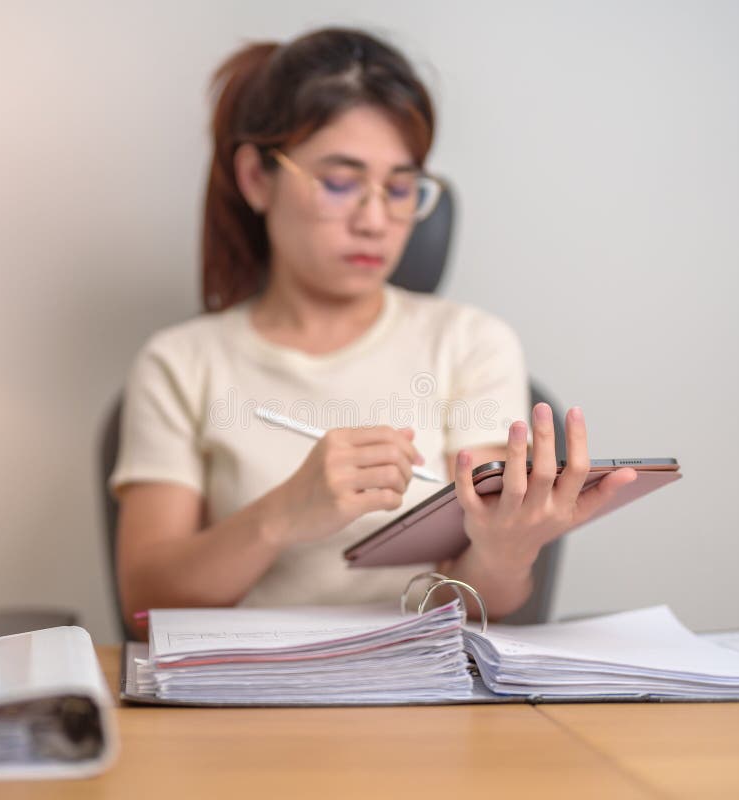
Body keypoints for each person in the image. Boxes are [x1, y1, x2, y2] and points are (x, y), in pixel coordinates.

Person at [109, 27, 637, 638]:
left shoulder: (470, 343)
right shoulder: (180, 363)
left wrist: (505, 550)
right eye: (340, 182)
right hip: (243, 704)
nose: (375, 221)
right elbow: (143, 605)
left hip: (421, 696)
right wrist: (282, 515)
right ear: (256, 177)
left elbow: (486, 602)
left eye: (401, 188)